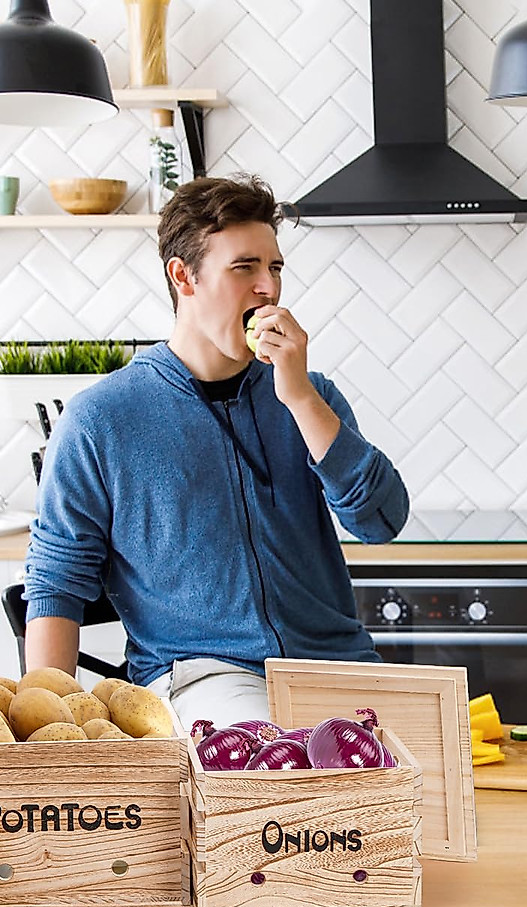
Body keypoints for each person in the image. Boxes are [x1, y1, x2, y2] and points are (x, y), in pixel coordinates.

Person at [23, 173, 409, 724]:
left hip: (336, 666)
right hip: (202, 677)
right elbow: (57, 581)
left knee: (434, 780)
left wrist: (298, 398)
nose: (268, 289)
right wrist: (49, 734)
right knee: (281, 775)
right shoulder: (101, 419)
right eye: (244, 267)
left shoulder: (309, 394)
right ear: (184, 277)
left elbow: (381, 520)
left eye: (274, 268)